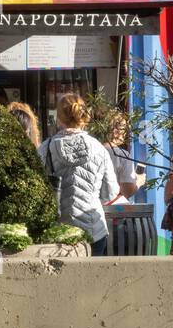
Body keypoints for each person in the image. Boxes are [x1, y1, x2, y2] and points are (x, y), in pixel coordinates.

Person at [38, 93, 119, 256]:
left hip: (57, 230)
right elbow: (110, 193)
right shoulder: (99, 148)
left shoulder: (45, 148)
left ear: (58, 117)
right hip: (94, 229)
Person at [103, 112, 142, 201]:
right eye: (124, 129)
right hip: (112, 209)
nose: (125, 133)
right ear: (116, 132)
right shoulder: (123, 156)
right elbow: (126, 192)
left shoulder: (94, 151)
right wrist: (139, 181)